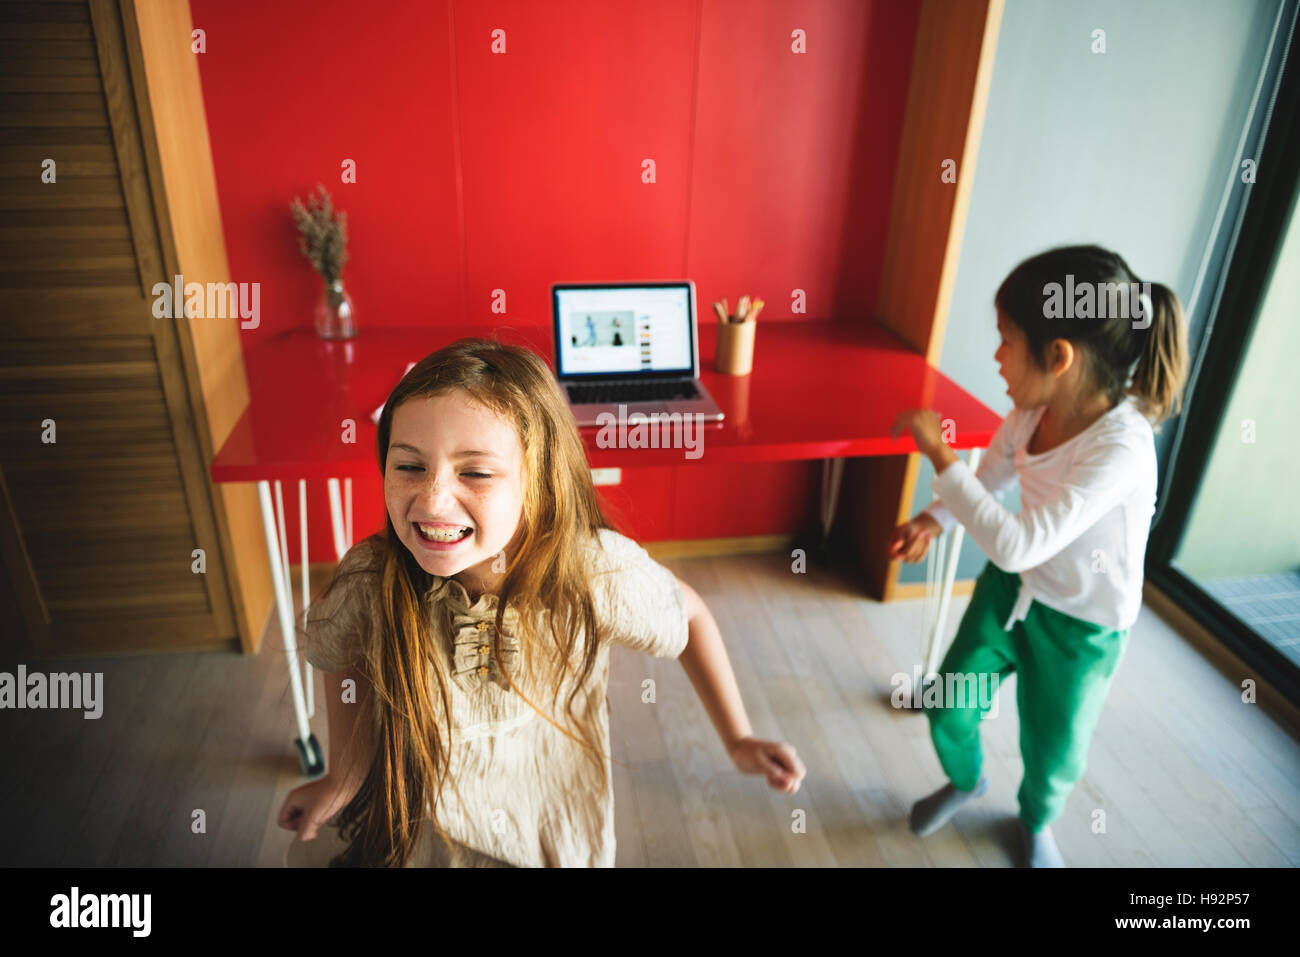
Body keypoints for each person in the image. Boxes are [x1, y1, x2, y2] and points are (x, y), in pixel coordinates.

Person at [278, 337, 805, 867]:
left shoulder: (595, 574)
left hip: (550, 831)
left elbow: (687, 615)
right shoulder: (371, 579)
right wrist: (343, 776)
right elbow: (343, 653)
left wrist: (738, 738)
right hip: (419, 835)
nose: (432, 498)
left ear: (541, 480)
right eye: (409, 467)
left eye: (476, 472)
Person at [888, 244, 1189, 867]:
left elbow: (1017, 537)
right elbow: (993, 477)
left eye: (1005, 339)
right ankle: (968, 781)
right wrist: (932, 518)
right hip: (1012, 590)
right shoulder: (1031, 411)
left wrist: (939, 455)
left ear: (1059, 356)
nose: (996, 355)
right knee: (949, 703)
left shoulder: (1123, 447)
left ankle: (1035, 820)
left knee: (1053, 752)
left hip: (1084, 623)